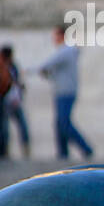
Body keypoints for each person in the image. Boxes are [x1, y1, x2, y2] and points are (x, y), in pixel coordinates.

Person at [37, 26, 94, 159]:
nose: (53, 39)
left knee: (63, 122)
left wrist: (30, 70)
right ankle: (62, 153)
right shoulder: (67, 51)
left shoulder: (66, 51)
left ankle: (86, 148)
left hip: (65, 91)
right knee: (59, 123)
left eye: (55, 36)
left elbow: (46, 65)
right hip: (61, 90)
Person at [0, 45, 31, 159]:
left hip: (15, 99)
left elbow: (16, 82)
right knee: (6, 126)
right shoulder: (3, 67)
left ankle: (24, 148)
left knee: (20, 125)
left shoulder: (12, 66)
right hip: (7, 99)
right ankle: (6, 149)